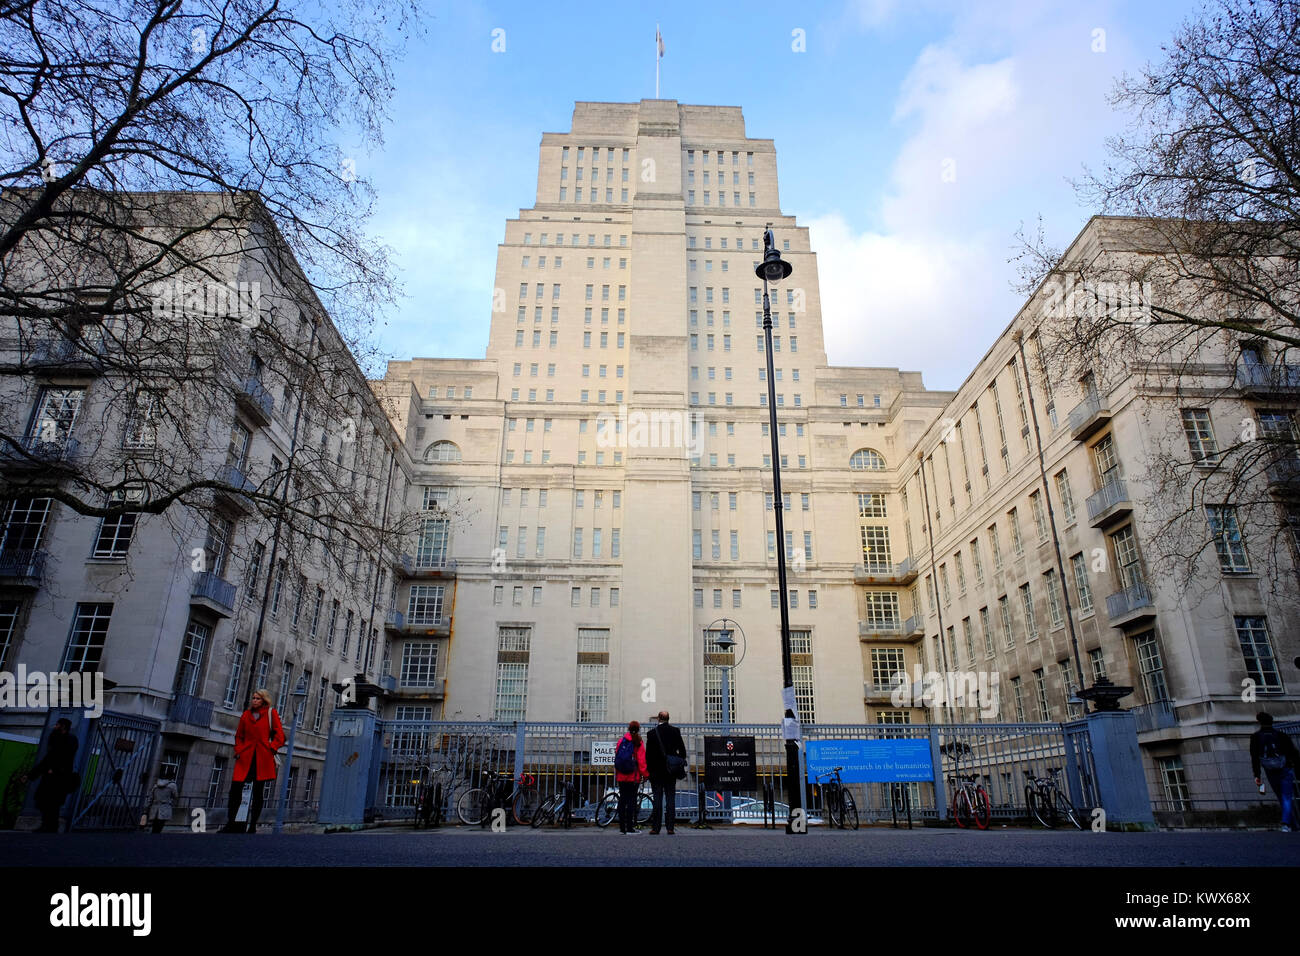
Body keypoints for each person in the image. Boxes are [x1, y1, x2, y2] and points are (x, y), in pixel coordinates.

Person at [222, 688, 284, 833]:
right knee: (235, 790)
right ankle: (231, 823)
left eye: (257, 698)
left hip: (262, 757)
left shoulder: (270, 713)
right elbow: (239, 735)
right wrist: (238, 749)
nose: (254, 700)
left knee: (258, 792)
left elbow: (280, 736)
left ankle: (253, 825)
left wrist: (271, 748)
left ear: (264, 700)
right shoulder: (246, 715)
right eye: (254, 698)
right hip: (245, 756)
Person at [24, 718, 78, 833]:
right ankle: (48, 825)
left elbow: (66, 758)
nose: (55, 726)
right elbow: (48, 758)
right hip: (51, 775)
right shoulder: (56, 738)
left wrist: (56, 769)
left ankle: (50, 826)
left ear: (63, 726)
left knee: (53, 802)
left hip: (59, 776)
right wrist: (31, 775)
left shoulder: (70, 740)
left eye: (57, 724)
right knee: (46, 800)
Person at [1250, 712, 1299, 831]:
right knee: (1287, 796)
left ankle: (1289, 823)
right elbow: (1293, 752)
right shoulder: (1281, 735)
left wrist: (1257, 775)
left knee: (1281, 796)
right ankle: (1288, 823)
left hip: (1269, 770)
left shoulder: (1256, 737)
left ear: (1259, 722)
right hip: (1285, 768)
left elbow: (1254, 757)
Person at [644, 710, 687, 835]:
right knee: (670, 798)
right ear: (669, 718)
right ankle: (670, 827)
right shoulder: (675, 731)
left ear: (658, 718)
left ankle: (655, 827)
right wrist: (675, 759)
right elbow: (683, 752)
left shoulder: (651, 734)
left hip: (656, 772)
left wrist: (649, 770)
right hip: (670, 771)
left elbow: (648, 755)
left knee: (657, 799)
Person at [613, 719, 648, 834]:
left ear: (628, 729)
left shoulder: (621, 741)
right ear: (638, 730)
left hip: (622, 776)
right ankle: (630, 827)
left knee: (622, 800)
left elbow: (617, 756)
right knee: (632, 802)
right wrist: (645, 774)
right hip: (633, 777)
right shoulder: (638, 742)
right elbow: (642, 761)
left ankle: (622, 827)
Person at [145, 768, 179, 834]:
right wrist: (171, 799)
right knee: (161, 822)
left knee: (155, 822)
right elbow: (176, 796)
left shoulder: (156, 785)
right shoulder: (172, 785)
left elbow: (151, 796)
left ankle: (153, 834)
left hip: (155, 805)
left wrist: (147, 806)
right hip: (165, 805)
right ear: (172, 777)